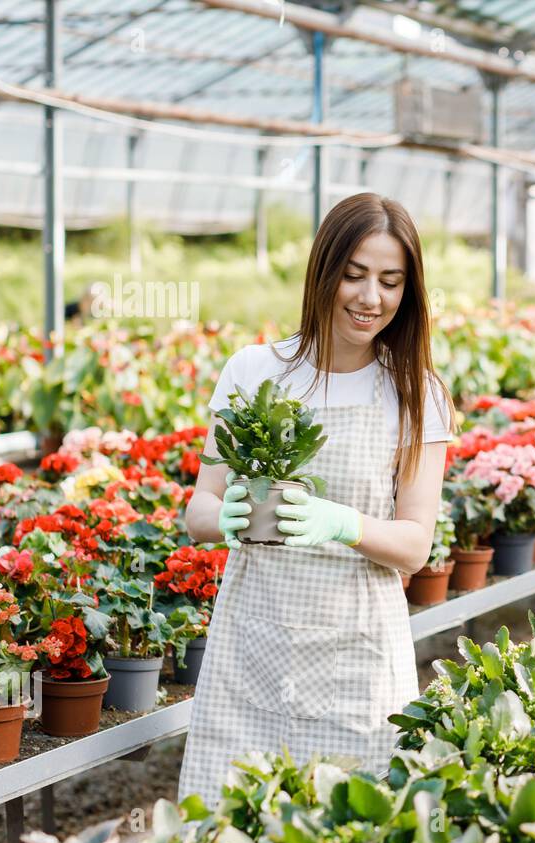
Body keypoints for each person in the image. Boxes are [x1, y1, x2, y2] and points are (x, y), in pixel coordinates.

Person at [176, 192, 457, 808]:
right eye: (354, 275)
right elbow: (200, 504)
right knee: (228, 827)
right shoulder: (255, 371)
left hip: (356, 660)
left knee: (345, 828)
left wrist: (341, 523)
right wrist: (219, 518)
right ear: (323, 272)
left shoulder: (414, 393)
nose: (370, 298)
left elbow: (415, 546)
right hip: (252, 649)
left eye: (390, 281)